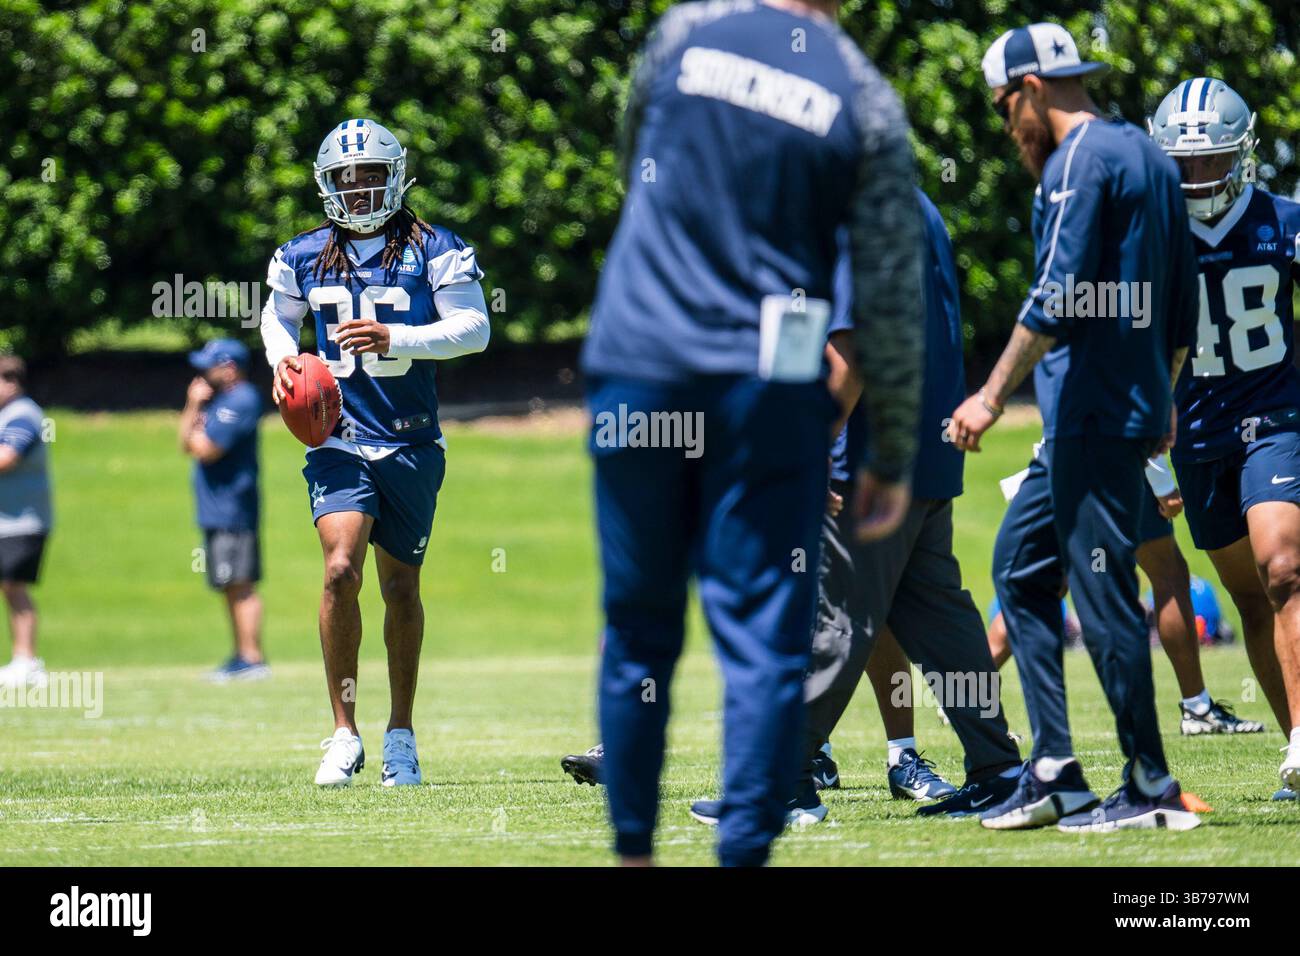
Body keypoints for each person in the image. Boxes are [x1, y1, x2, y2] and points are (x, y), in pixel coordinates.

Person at [582, 0, 924, 866]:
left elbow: (634, 166)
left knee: (637, 625)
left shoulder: (682, 33)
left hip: (638, 361)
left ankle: (632, 853)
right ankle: (742, 855)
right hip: (762, 386)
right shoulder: (863, 93)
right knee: (764, 641)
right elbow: (888, 290)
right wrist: (888, 449)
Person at [689, 191, 1022, 828]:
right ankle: (998, 769)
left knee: (834, 614)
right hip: (924, 448)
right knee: (941, 621)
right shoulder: (915, 200)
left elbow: (850, 341)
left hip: (865, 455)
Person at [948, 22, 1202, 832]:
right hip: (1112, 415)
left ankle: (1151, 787)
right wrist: (1161, 397)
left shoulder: (1076, 164)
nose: (1007, 129)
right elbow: (1182, 301)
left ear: (1028, 90)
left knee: (1101, 596)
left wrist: (988, 395)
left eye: (1002, 108)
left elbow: (1057, 294)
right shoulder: (1150, 160)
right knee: (1020, 573)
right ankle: (1056, 771)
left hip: (1090, 415)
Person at [259, 118, 490, 787]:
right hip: (337, 440)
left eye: (370, 177)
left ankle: (400, 734)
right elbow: (277, 316)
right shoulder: (301, 255)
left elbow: (473, 329)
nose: (358, 191)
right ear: (326, 185)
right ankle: (343, 732)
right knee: (339, 570)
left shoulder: (436, 249)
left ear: (396, 177)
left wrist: (398, 337)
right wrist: (283, 360)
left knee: (400, 588)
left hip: (412, 437)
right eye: (345, 180)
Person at [1149, 77, 1300, 799]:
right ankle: (1296, 750)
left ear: (1243, 156)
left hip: (1275, 418)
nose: (1196, 175)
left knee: (1283, 569)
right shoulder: (1151, 235)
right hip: (1198, 434)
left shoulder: (1284, 219)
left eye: (1211, 160)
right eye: (1184, 162)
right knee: (1248, 596)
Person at [988, 448, 1264, 735]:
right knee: (1168, 574)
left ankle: (967, 699)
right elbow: (1134, 413)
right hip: (1114, 459)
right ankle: (1196, 707)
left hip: (1062, 461)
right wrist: (1163, 485)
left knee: (1048, 586)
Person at [179, 339, 269, 682]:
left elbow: (206, 449)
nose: (203, 373)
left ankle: (253, 658)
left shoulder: (241, 400)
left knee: (240, 582)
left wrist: (193, 412)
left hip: (234, 507)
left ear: (229, 367)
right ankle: (240, 655)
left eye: (210, 365)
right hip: (215, 509)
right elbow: (184, 443)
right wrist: (192, 407)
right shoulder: (215, 402)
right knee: (228, 583)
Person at [0, 356, 52, 690]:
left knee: (14, 586)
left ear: (10, 381)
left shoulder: (24, 415)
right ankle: (22, 659)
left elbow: (5, 458)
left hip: (23, 521)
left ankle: (27, 659)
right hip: (7, 521)